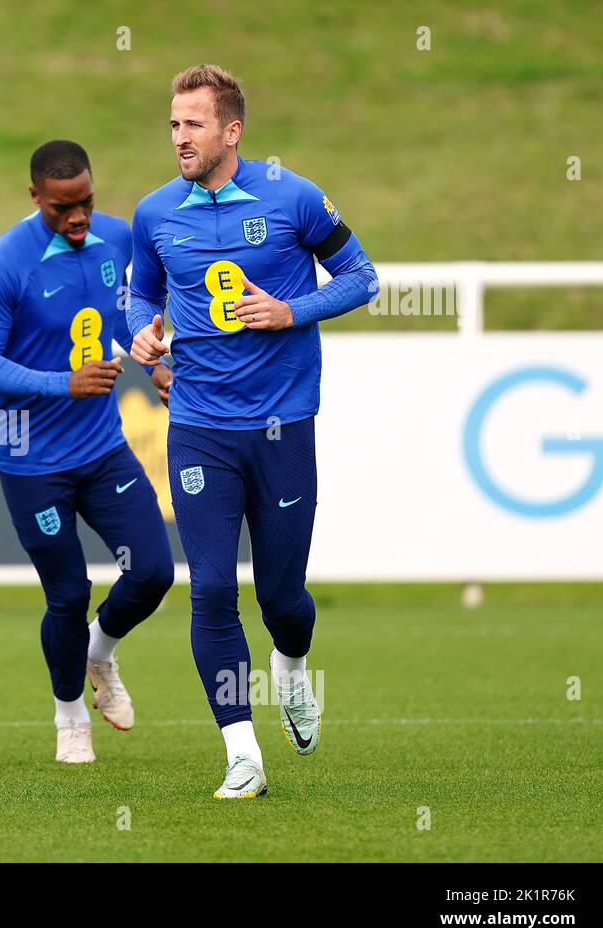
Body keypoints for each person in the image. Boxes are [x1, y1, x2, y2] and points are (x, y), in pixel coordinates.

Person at [127, 65, 378, 798]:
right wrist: (140, 334)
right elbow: (138, 292)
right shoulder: (154, 212)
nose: (180, 136)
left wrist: (291, 310)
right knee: (209, 589)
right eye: (174, 123)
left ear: (231, 131)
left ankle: (292, 669)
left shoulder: (294, 196)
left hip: (283, 426)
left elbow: (362, 276)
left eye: (194, 124)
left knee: (282, 598)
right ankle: (242, 752)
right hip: (199, 426)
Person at [0, 140, 174, 764]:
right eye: (62, 208)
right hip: (28, 457)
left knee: (155, 572)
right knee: (67, 593)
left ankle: (98, 656)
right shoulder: (4, 263)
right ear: (35, 199)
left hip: (101, 446)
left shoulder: (116, 237)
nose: (78, 217)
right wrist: (64, 383)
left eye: (86, 201)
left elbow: (122, 314)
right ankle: (69, 717)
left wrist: (152, 363)